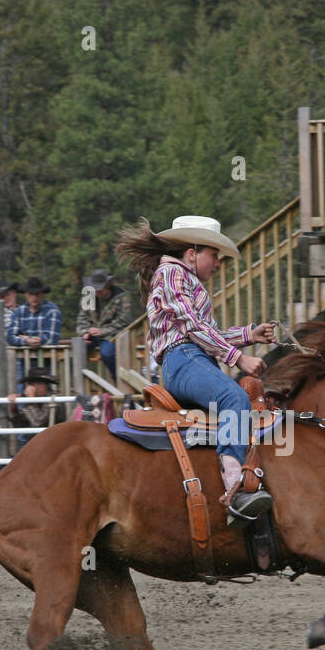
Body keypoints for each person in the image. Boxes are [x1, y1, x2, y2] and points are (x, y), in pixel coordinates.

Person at [115, 215, 277, 520]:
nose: (217, 263)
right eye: (214, 255)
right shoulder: (172, 274)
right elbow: (193, 328)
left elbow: (203, 331)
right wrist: (239, 359)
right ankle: (235, 489)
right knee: (235, 399)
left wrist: (248, 335)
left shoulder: (181, 279)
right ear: (192, 254)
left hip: (190, 358)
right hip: (184, 359)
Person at [77, 269, 137, 379]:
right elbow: (82, 318)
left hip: (113, 336)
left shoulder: (122, 297)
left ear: (108, 285)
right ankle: (80, 383)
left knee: (107, 354)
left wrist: (102, 331)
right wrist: (85, 332)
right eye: (95, 288)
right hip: (92, 335)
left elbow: (125, 321)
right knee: (78, 349)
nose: (97, 292)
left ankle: (119, 381)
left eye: (100, 289)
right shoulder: (89, 297)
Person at [7, 363, 60, 449]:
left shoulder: (54, 399)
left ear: (46, 385)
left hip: (53, 444)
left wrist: (31, 399)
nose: (34, 387)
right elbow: (19, 425)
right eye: (32, 383)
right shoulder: (28, 399)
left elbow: (38, 422)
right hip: (32, 444)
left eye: (39, 383)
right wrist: (14, 407)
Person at [5, 277, 62, 349]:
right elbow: (10, 338)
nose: (34, 297)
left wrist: (27, 338)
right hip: (23, 358)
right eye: (31, 294)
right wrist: (28, 341)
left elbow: (52, 338)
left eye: (37, 294)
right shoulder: (19, 312)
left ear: (42, 294)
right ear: (25, 294)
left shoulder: (52, 311)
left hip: (47, 358)